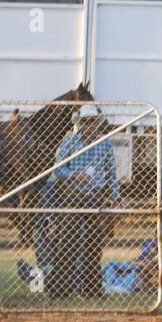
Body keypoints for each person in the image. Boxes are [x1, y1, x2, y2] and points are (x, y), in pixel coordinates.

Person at [30, 105, 119, 297]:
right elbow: (58, 168)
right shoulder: (70, 142)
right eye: (86, 122)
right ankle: (60, 290)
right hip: (72, 195)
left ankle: (91, 290)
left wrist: (116, 196)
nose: (89, 125)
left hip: (94, 196)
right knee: (67, 243)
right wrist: (74, 175)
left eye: (92, 121)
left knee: (94, 245)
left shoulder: (105, 144)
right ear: (80, 123)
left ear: (97, 123)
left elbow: (112, 173)